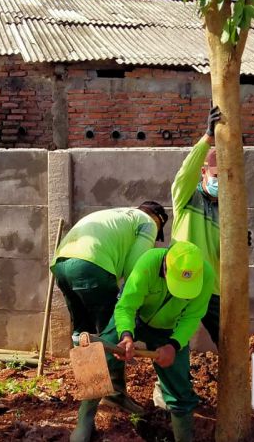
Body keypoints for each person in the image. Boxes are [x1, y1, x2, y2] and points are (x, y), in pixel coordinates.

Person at [70, 241, 216, 442]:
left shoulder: (206, 275)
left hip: (170, 329)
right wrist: (126, 336)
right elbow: (126, 306)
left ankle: (183, 437)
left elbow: (192, 316)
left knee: (180, 385)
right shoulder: (148, 263)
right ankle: (85, 419)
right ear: (165, 267)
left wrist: (174, 345)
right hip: (136, 317)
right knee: (96, 359)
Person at [52, 202, 168, 414]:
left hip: (61, 263)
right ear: (157, 219)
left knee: (84, 333)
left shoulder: (118, 215)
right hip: (93, 264)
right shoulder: (148, 223)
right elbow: (135, 269)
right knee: (112, 330)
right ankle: (114, 395)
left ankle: (91, 391)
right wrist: (136, 303)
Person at [171, 106, 222, 347]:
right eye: (216, 176)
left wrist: (240, 243)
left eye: (225, 178)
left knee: (227, 340)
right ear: (204, 172)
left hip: (213, 287)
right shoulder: (186, 197)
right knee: (174, 341)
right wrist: (207, 138)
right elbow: (185, 172)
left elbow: (224, 255)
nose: (220, 182)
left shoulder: (228, 210)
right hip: (181, 279)